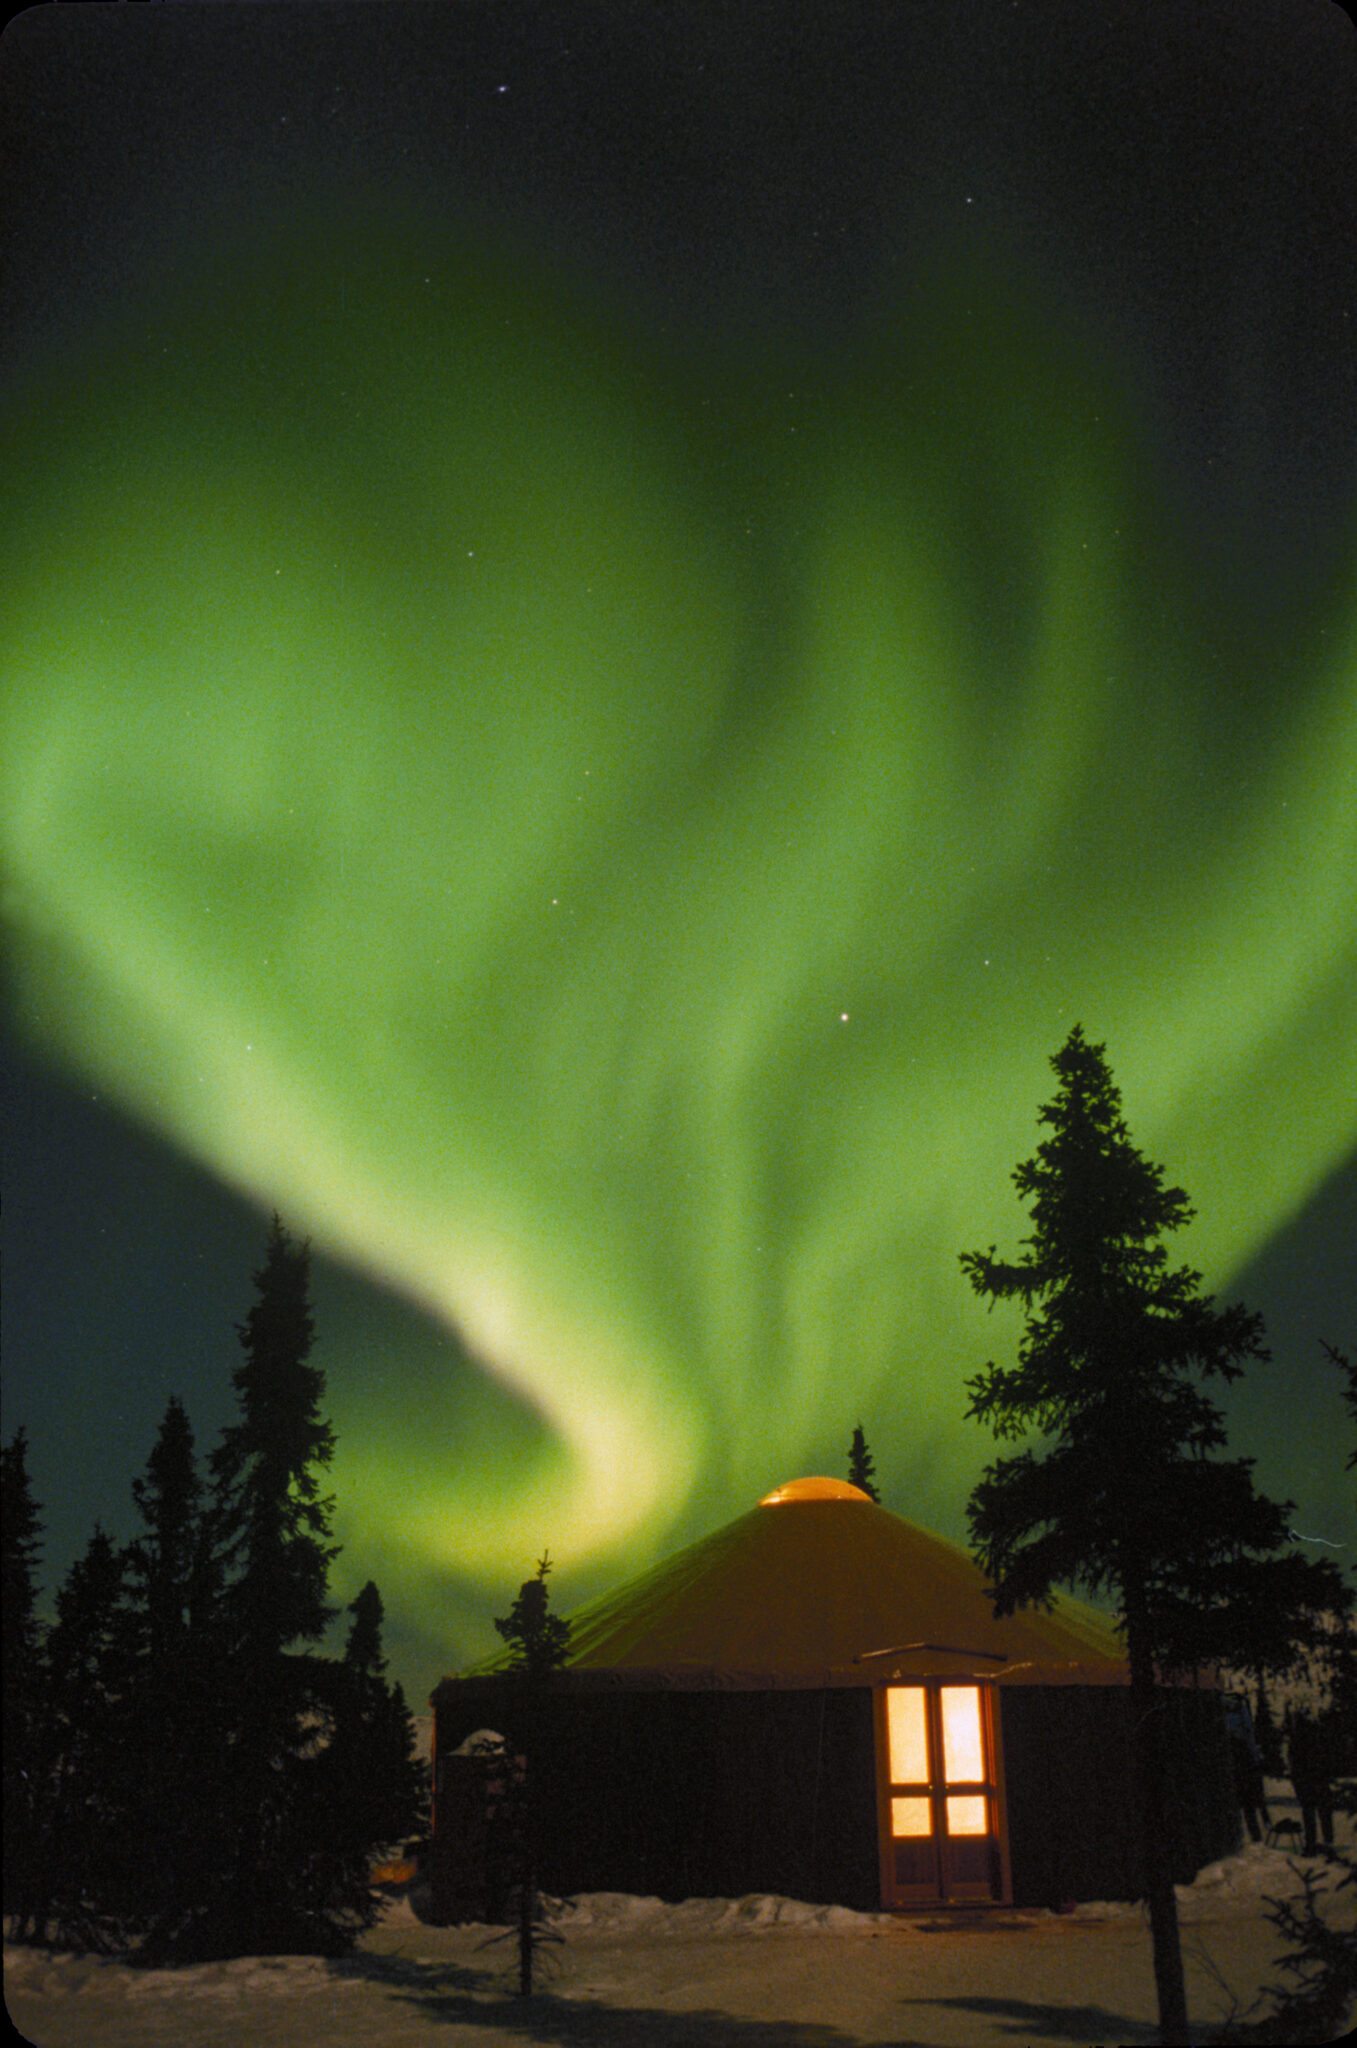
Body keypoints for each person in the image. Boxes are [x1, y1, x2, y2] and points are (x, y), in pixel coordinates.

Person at [1285, 1708, 1335, 1855]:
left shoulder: (1297, 1740)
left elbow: (1294, 1762)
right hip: (1318, 1779)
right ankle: (1328, 1842)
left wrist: (1297, 1781)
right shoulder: (1319, 1736)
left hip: (1306, 1781)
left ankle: (1311, 1844)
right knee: (1324, 1813)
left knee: (1309, 1813)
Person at [1224, 1694, 1270, 1844]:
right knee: (1249, 1809)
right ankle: (1255, 1835)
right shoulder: (1244, 1743)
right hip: (1245, 1773)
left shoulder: (1231, 1746)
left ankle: (1241, 1838)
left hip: (1238, 1775)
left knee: (1240, 1809)